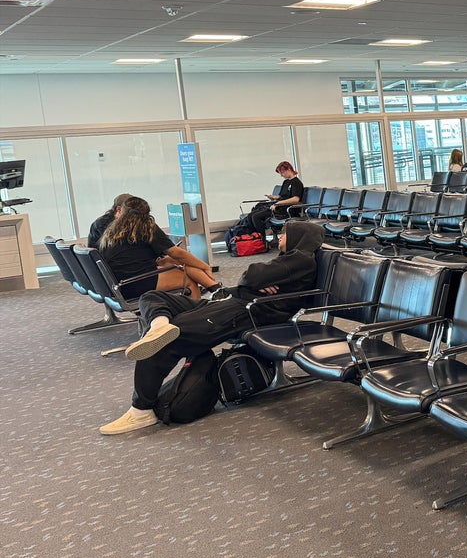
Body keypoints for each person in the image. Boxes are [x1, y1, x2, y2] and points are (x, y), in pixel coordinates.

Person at [99, 222, 326, 435]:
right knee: (151, 297)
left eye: (286, 233)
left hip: (245, 312)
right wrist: (257, 281)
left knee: (172, 337)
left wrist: (256, 280)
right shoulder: (289, 259)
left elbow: (250, 275)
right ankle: (158, 324)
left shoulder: (301, 260)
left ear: (298, 237)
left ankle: (140, 411)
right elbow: (252, 278)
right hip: (233, 301)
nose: (280, 237)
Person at [100, 196, 221, 300]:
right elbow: (176, 252)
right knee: (188, 279)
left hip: (120, 281)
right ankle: (197, 316)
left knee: (174, 262)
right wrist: (205, 266)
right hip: (133, 283)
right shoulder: (146, 226)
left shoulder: (113, 228)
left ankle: (215, 289)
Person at [245, 161, 304, 230]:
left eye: (282, 172)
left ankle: (261, 238)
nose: (281, 175)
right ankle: (254, 237)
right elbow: (282, 196)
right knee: (250, 215)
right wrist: (275, 197)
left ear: (289, 169)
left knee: (255, 217)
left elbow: (295, 199)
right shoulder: (286, 182)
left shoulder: (297, 183)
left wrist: (278, 203)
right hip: (279, 207)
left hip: (287, 210)